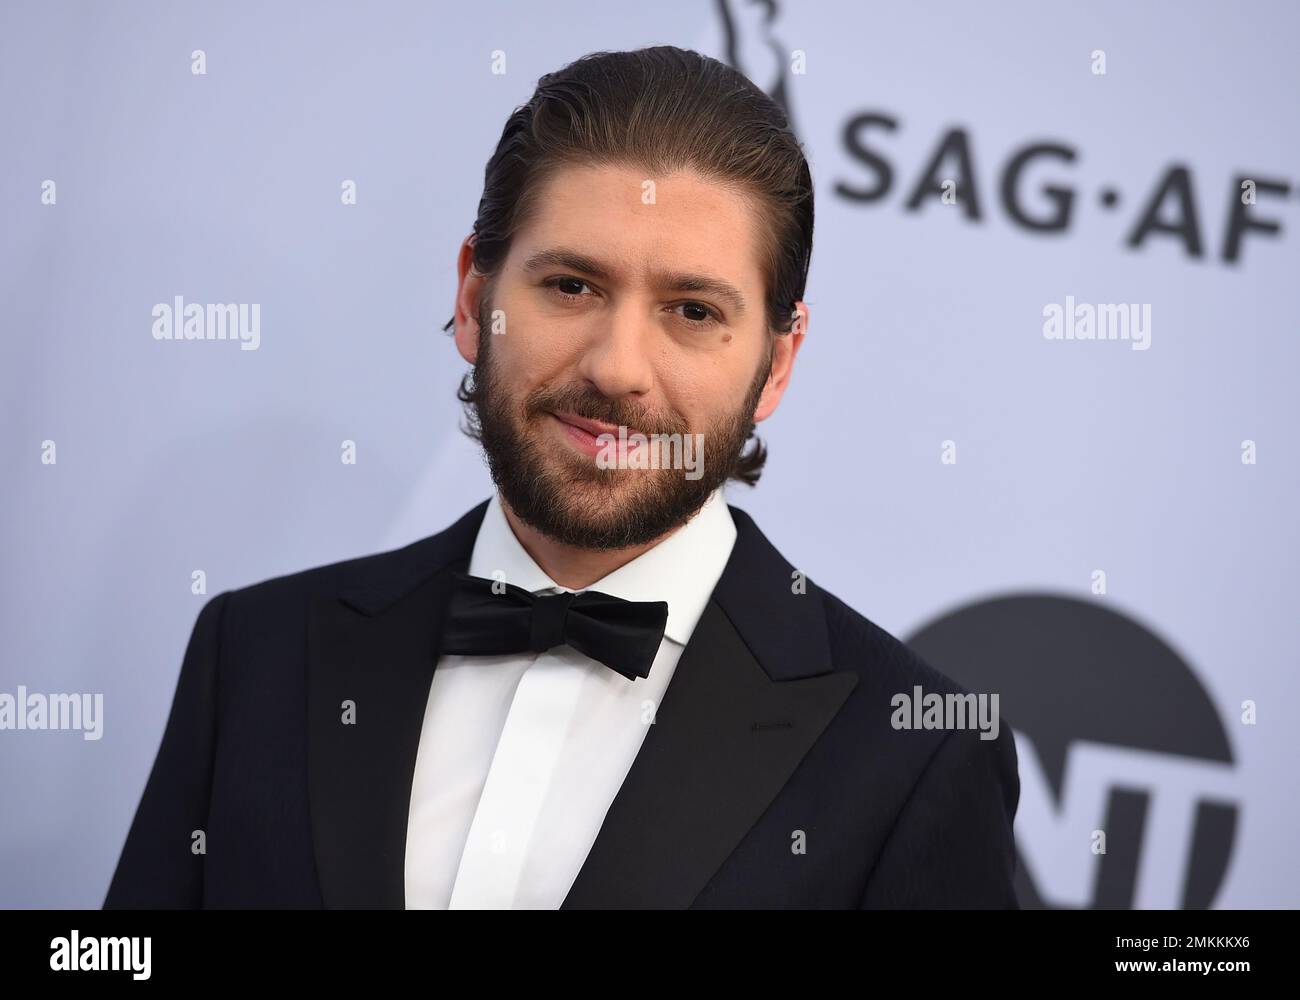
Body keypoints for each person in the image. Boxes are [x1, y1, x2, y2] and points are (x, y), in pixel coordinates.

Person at [105, 45, 1019, 909]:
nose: (618, 367)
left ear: (777, 365)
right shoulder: (256, 652)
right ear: (475, 300)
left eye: (693, 310)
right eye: (573, 286)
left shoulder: (916, 754)